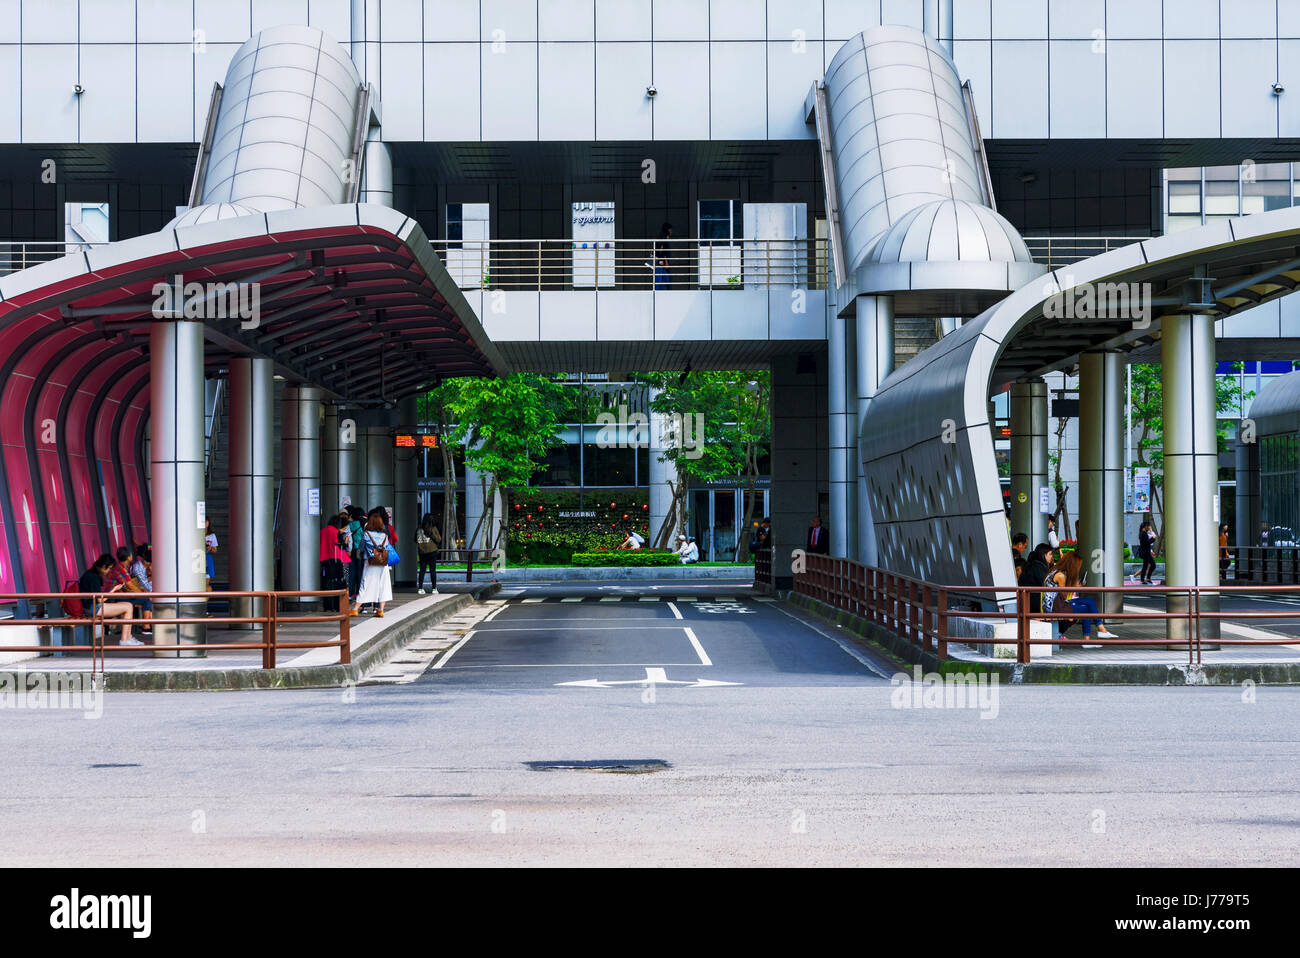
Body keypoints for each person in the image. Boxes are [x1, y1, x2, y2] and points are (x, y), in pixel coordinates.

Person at [1045, 551, 1116, 642]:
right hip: (1054, 606)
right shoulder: (1061, 576)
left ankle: (1095, 634)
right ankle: (1097, 632)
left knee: (1088, 602)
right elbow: (1065, 595)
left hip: (1056, 603)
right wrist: (1074, 586)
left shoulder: (1057, 571)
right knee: (1086, 607)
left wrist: (1075, 586)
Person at [79, 553, 140, 645]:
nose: (109, 571)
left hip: (91, 606)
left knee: (128, 606)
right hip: (93, 608)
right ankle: (124, 640)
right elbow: (100, 600)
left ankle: (128, 637)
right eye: (109, 568)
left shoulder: (90, 574)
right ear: (103, 566)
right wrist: (114, 590)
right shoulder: (93, 578)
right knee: (128, 607)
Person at [353, 513, 393, 618]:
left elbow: (361, 548)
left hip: (370, 562)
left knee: (365, 584)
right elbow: (387, 547)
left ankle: (355, 609)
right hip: (383, 563)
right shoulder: (385, 535)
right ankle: (380, 610)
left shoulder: (366, 534)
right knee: (383, 586)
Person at [320, 515, 351, 613]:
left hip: (324, 559)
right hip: (336, 560)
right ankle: (337, 606)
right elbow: (341, 546)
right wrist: (346, 541)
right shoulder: (336, 532)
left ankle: (327, 606)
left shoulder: (322, 531)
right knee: (338, 583)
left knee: (327, 583)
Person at [1018, 543, 1054, 614]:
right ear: (1044, 555)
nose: (1052, 557)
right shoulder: (1038, 567)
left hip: (1029, 601)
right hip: (1035, 603)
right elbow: (1045, 583)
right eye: (1050, 554)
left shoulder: (1034, 565)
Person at [415, 512, 442, 595]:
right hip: (432, 552)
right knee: (432, 570)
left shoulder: (419, 529)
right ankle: (434, 588)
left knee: (422, 571)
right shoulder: (433, 528)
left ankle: (420, 588)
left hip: (422, 552)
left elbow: (415, 540)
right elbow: (438, 539)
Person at [346, 506, 367, 601]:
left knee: (352, 573)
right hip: (360, 551)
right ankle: (358, 593)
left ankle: (350, 593)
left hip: (351, 551)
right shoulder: (361, 524)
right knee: (360, 573)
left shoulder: (349, 525)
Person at [204, 519, 218, 589]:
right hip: (197, 557)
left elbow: (215, 550)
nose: (205, 524)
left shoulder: (212, 535)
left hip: (207, 557)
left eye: (206, 522)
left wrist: (210, 548)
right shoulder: (195, 534)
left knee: (207, 579)